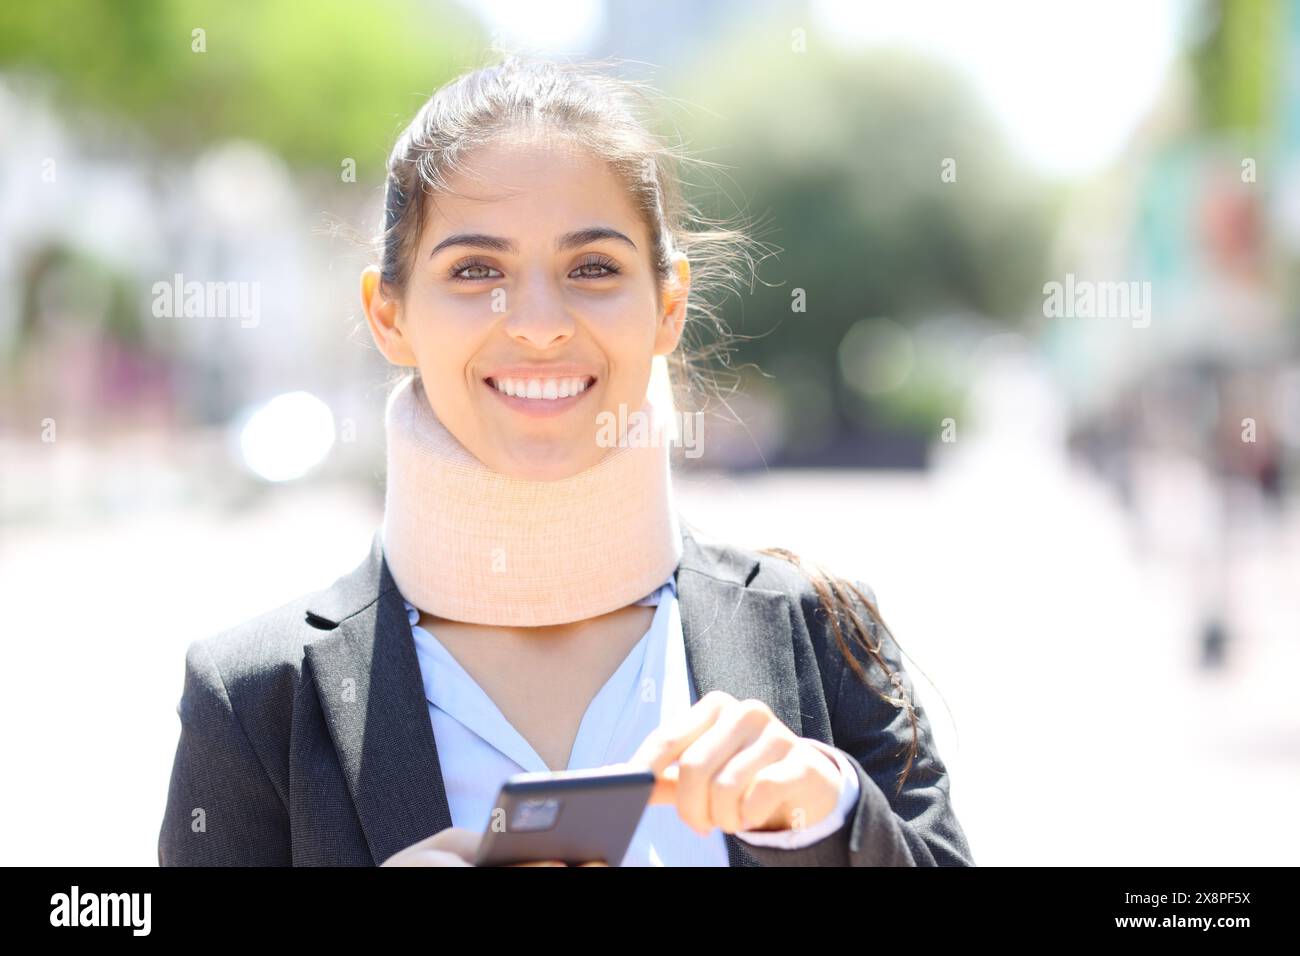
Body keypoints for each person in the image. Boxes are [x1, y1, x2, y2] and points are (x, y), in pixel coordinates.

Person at [158, 54, 973, 867]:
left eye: (593, 268)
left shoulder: (823, 638)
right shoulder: (256, 698)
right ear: (389, 313)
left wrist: (826, 815)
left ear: (669, 305)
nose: (540, 323)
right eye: (477, 270)